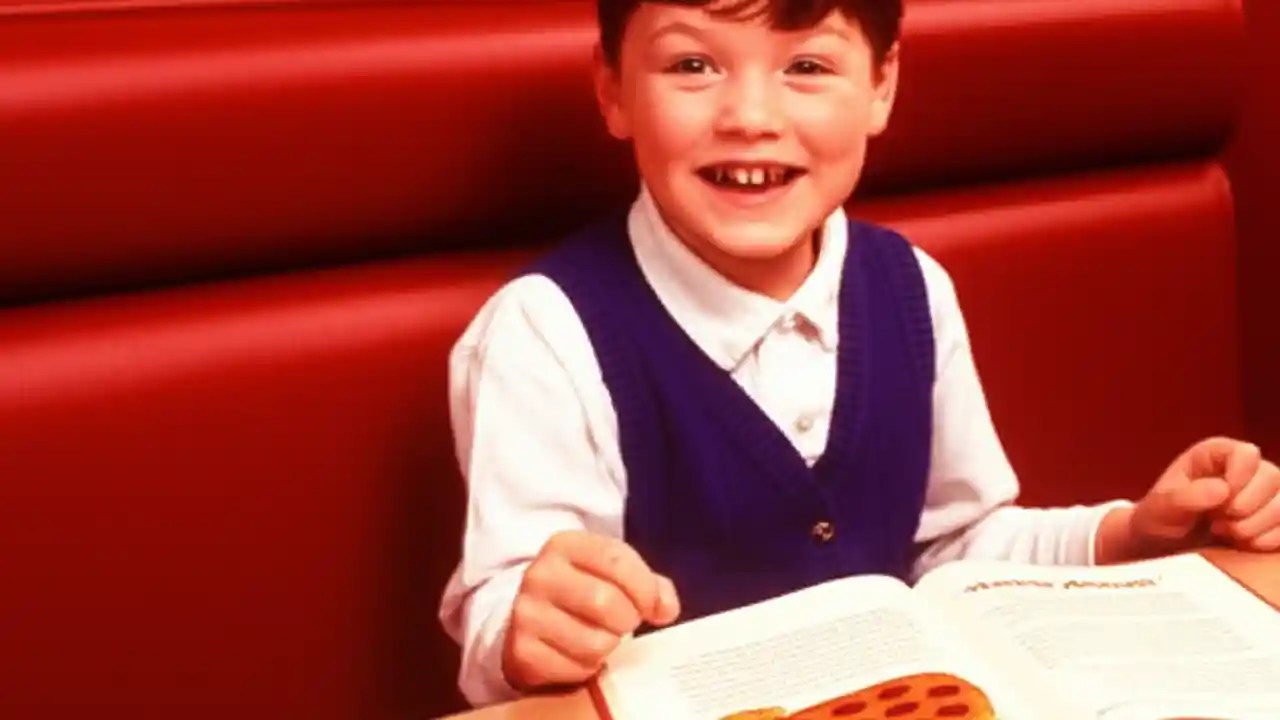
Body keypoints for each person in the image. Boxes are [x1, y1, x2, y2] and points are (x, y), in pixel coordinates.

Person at [438, 0, 1280, 707]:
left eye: (807, 66)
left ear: (883, 86)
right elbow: (496, 641)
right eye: (693, 66)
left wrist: (1133, 529)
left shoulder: (912, 287)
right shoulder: (544, 332)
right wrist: (526, 628)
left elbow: (957, 549)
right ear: (613, 91)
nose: (751, 117)